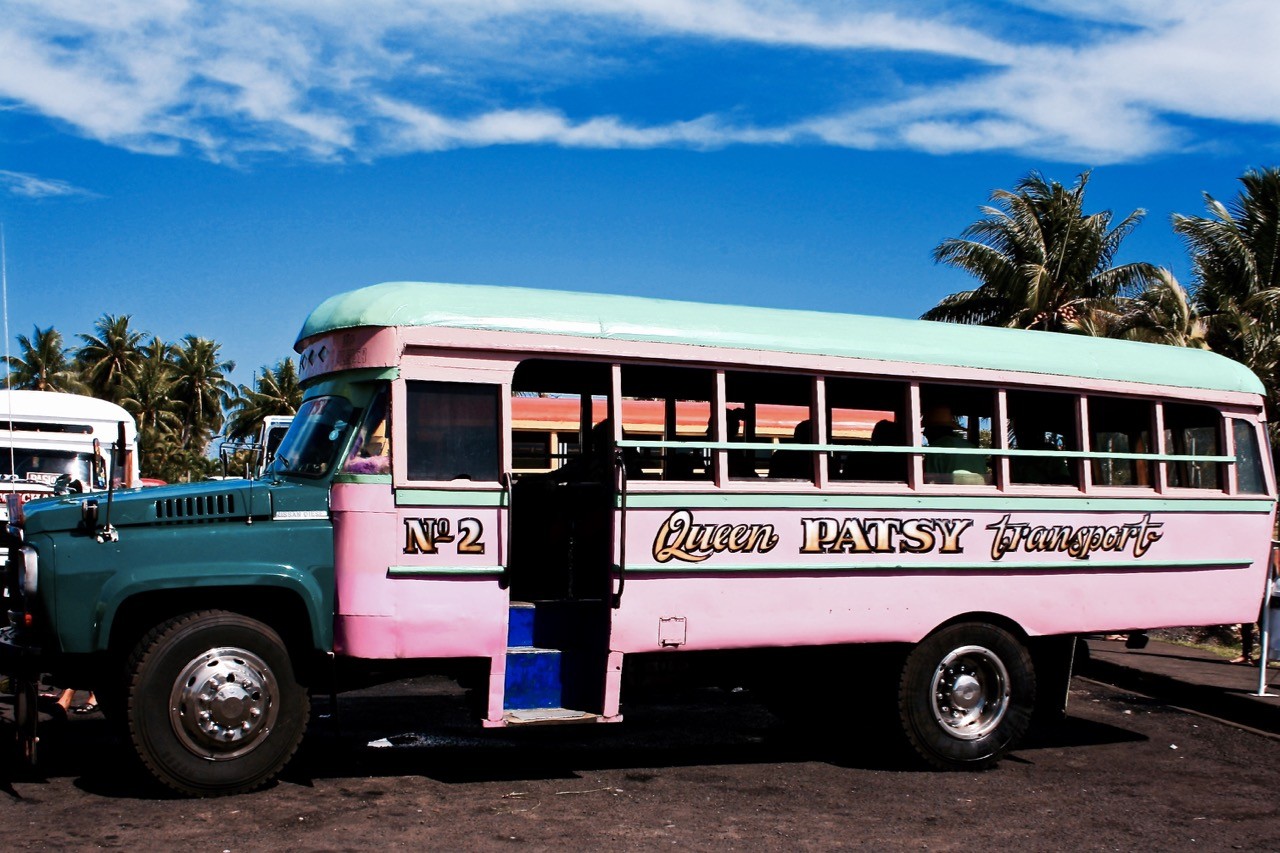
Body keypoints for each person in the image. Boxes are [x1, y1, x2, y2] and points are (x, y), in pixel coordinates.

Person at [922, 404, 980, 484]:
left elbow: (930, 483)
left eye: (926, 431)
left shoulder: (936, 449)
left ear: (933, 431)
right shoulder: (971, 447)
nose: (925, 435)